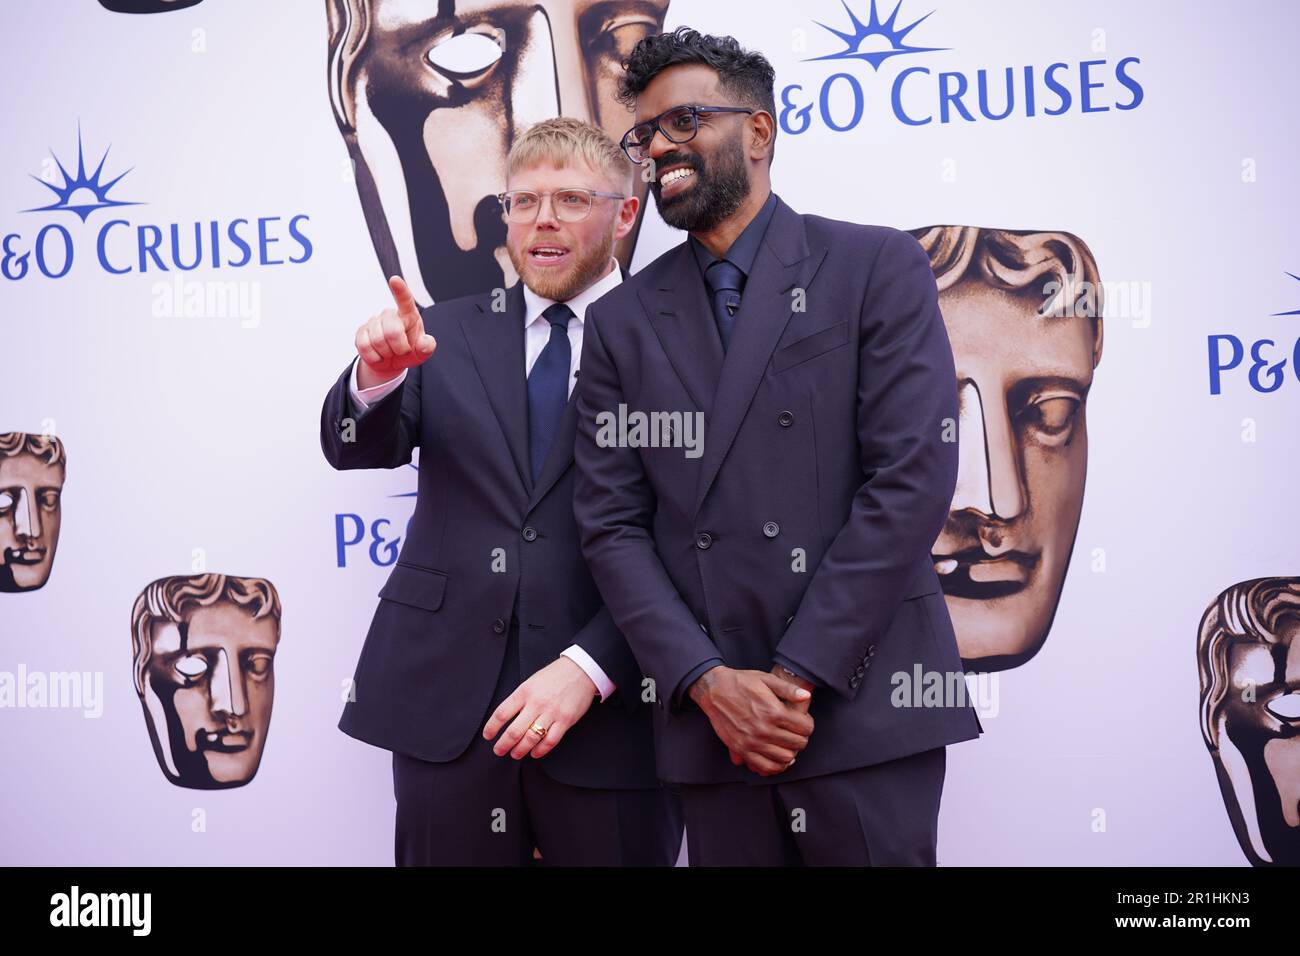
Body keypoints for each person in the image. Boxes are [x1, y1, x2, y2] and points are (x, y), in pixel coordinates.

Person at [573, 27, 980, 866]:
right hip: (712, 727)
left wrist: (793, 680)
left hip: (859, 701)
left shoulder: (874, 264)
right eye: (645, 133)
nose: (659, 148)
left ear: (759, 131)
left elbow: (910, 478)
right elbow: (611, 526)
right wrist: (709, 683)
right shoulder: (620, 320)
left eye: (684, 120)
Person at [320, 116, 681, 866]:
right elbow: (353, 448)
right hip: (445, 713)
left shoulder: (679, 349)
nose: (541, 220)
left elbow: (691, 543)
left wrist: (591, 667)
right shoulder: (442, 335)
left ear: (625, 212)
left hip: (611, 721)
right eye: (522, 202)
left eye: (570, 200)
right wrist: (377, 377)